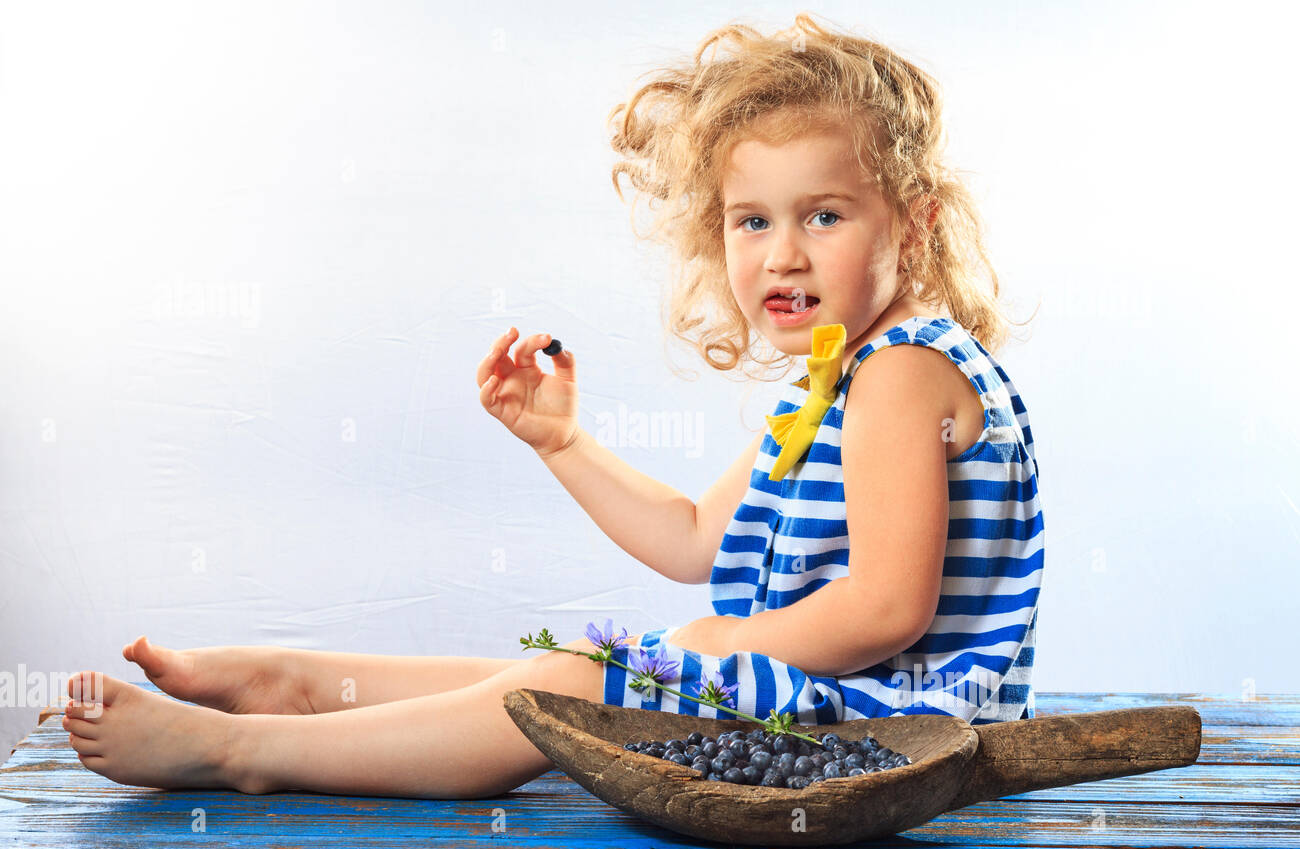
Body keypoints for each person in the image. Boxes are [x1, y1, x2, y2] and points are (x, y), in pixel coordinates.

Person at [62, 14, 1043, 799]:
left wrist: (716, 642)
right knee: (577, 664)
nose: (780, 253)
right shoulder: (837, 373)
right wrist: (562, 440)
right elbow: (698, 537)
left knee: (576, 681)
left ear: (911, 225)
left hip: (900, 732)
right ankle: (305, 684)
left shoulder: (901, 372)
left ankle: (242, 751)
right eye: (752, 219)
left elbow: (882, 607)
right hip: (838, 702)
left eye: (822, 214)